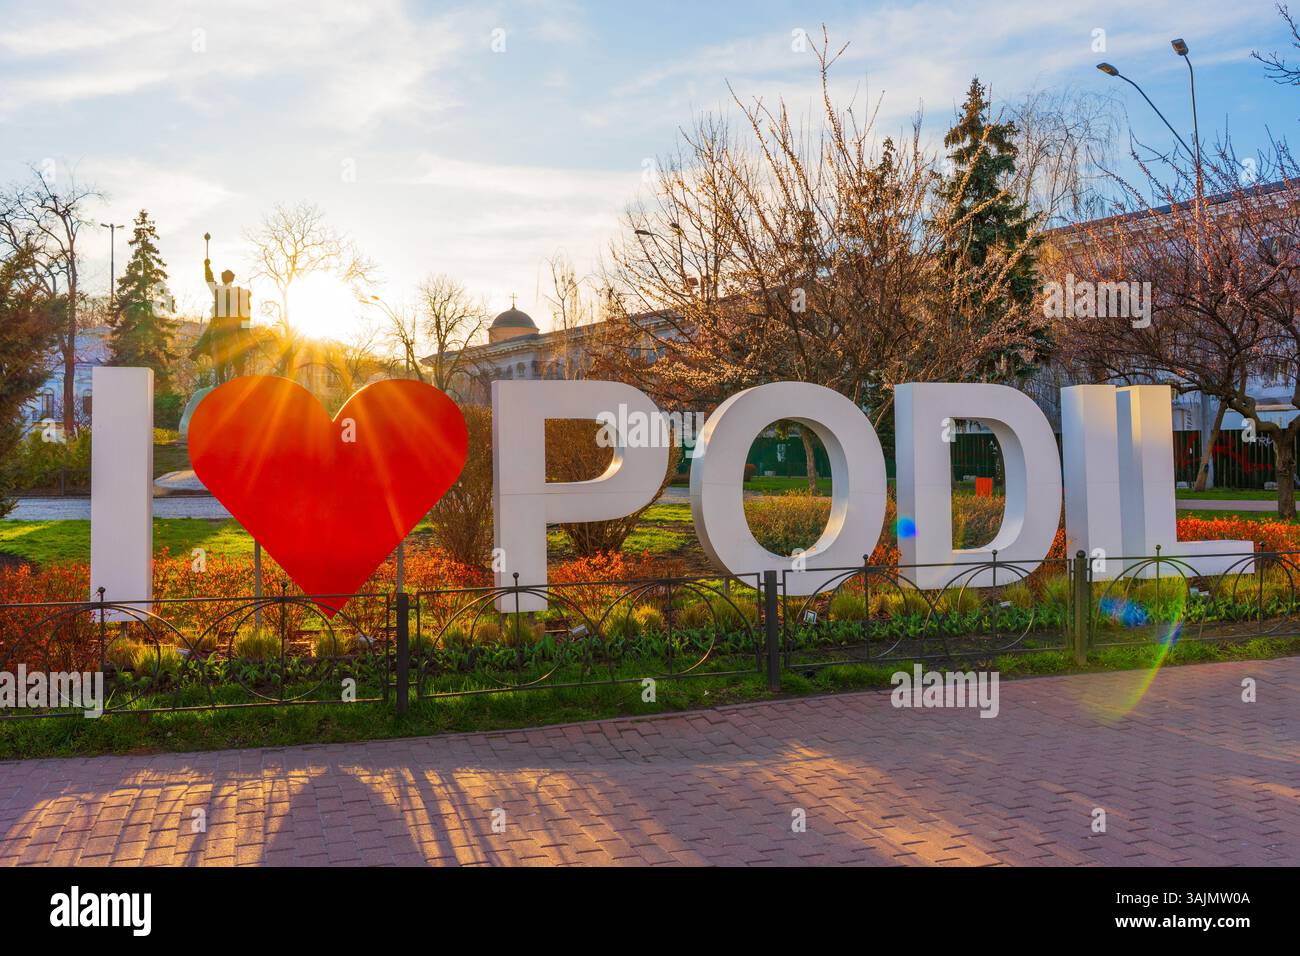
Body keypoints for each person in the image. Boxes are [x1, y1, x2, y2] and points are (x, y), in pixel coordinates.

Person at [190, 257, 254, 384]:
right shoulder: (227, 291)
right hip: (223, 325)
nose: (225, 279)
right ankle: (199, 351)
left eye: (225, 277)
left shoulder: (230, 291)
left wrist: (207, 266)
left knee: (229, 352)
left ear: (228, 279)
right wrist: (207, 266)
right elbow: (209, 279)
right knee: (222, 351)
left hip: (228, 326)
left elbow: (209, 280)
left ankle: (198, 350)